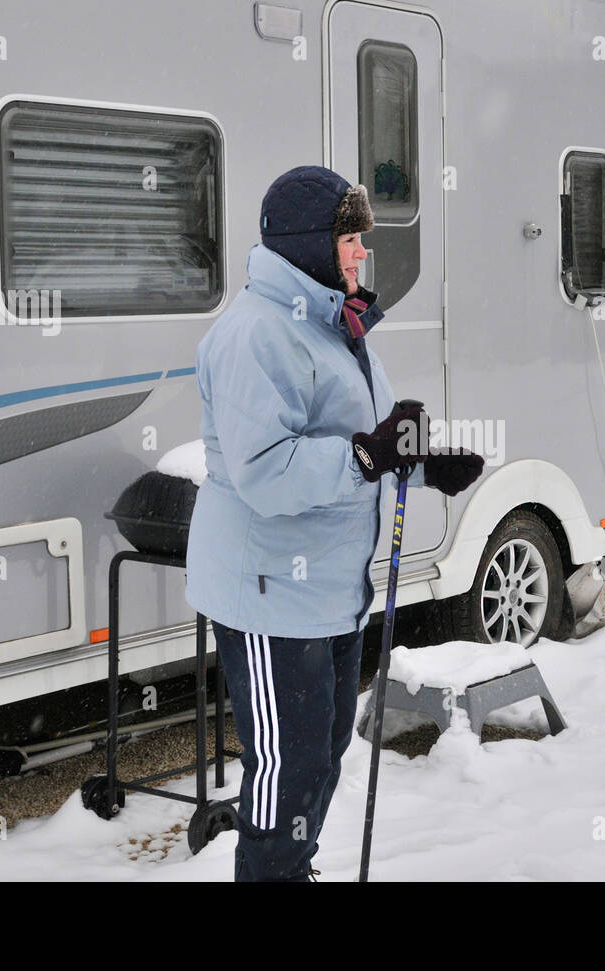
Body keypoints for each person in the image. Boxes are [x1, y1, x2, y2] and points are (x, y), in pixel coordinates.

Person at [186, 165, 483, 881]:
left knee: (324, 752)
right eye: (350, 238)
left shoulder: (332, 326)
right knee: (286, 764)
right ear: (309, 244)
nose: (360, 253)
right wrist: (370, 452)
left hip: (330, 593)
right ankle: (270, 873)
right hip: (267, 594)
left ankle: (296, 865)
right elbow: (266, 471)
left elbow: (354, 443)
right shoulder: (255, 335)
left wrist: (415, 462)